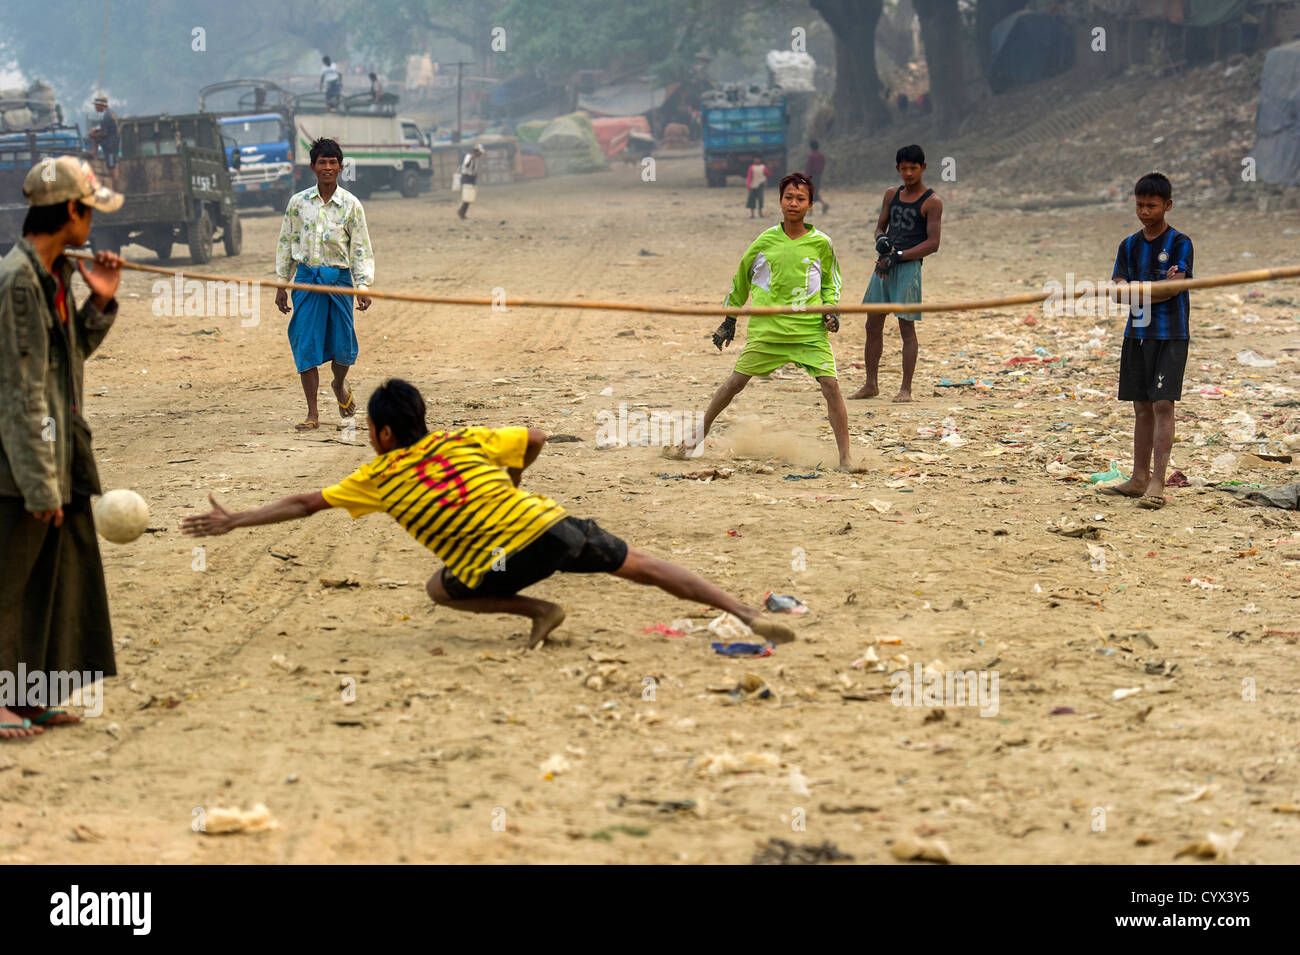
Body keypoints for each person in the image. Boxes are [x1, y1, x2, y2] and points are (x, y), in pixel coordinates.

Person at [180, 379, 797, 650]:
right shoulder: (462, 438)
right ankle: (744, 612)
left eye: (370, 428)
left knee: (437, 588)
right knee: (642, 566)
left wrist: (237, 520)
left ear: (384, 432)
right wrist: (515, 482)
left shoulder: (378, 473)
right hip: (552, 524)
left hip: (508, 557)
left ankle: (541, 611)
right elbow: (536, 434)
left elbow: (305, 503)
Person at [0, 157, 123, 740]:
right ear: (70, 212)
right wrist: (40, 484)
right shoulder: (19, 282)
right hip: (20, 464)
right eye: (90, 211)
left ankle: (33, 698)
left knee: (55, 578)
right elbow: (21, 393)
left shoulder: (51, 276)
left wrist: (99, 302)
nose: (93, 224)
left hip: (57, 452)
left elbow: (63, 364)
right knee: (10, 584)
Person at [683, 172, 861, 471]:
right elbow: (740, 280)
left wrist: (831, 312)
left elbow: (831, 282)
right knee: (735, 383)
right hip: (769, 329)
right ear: (780, 201)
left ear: (810, 204)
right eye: (789, 198)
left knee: (831, 385)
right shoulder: (765, 241)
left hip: (808, 331)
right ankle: (695, 436)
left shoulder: (821, 244)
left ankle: (845, 457)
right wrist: (729, 321)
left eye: (800, 199)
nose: (794, 203)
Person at [1100, 172, 1194, 510]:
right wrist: (1152, 292)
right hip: (1137, 334)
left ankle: (1158, 481)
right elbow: (1118, 293)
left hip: (1170, 335)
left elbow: (1174, 288)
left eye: (1151, 206)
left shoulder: (1180, 243)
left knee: (1163, 404)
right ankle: (1139, 477)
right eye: (1140, 205)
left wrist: (1140, 291)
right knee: (1141, 407)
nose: (1144, 212)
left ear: (1167, 205)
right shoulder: (1128, 245)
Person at [274, 138, 374, 432]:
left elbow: (361, 249)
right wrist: (282, 283)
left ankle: (339, 385)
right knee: (306, 343)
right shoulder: (298, 203)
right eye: (322, 163)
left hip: (340, 281)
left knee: (344, 346)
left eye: (333, 163)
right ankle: (312, 412)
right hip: (306, 279)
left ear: (340, 168)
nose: (327, 168)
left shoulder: (351, 205)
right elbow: (286, 243)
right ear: (313, 167)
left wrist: (363, 286)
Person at [850, 144, 943, 403]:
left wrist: (900, 256)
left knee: (906, 329)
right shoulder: (892, 194)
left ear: (923, 168)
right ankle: (870, 383)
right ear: (897, 169)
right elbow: (881, 226)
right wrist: (881, 241)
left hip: (908, 268)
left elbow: (933, 243)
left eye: (914, 168)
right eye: (904, 168)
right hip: (883, 266)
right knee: (872, 325)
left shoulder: (932, 202)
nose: (909, 173)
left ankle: (905, 389)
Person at [86, 95, 119, 190]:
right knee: (112, 168)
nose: (95, 107)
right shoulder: (111, 113)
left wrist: (93, 134)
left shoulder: (106, 116)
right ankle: (95, 152)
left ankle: (115, 192)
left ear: (101, 105)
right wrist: (96, 130)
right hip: (113, 142)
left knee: (112, 170)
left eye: (96, 105)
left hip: (110, 145)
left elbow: (104, 133)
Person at [457, 143, 485, 220]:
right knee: (467, 196)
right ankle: (461, 212)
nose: (480, 154)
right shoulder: (469, 157)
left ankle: (462, 212)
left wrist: (475, 174)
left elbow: (474, 169)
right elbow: (466, 165)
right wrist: (471, 159)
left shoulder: (477, 159)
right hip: (466, 177)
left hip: (472, 178)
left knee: (470, 197)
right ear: (476, 151)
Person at [805, 140, 829, 214]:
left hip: (812, 176)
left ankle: (810, 210)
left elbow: (808, 167)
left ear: (811, 147)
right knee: (815, 192)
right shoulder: (821, 156)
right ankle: (824, 204)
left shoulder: (811, 156)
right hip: (819, 175)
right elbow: (823, 165)